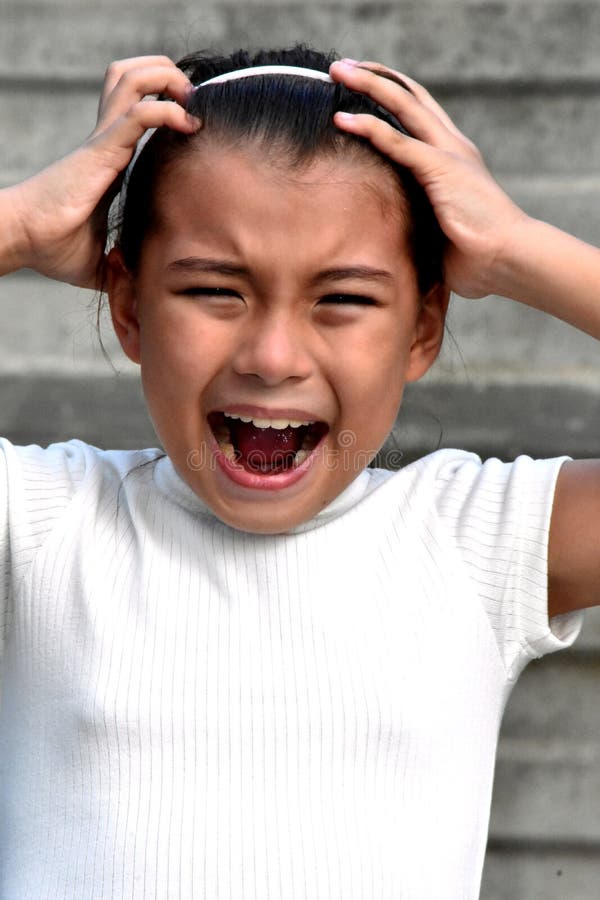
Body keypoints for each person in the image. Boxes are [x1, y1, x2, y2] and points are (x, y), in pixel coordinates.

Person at [0, 44, 598, 899]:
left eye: (344, 299)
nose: (273, 356)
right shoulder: (43, 523)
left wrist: (517, 248)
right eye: (216, 290)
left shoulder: (475, 541)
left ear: (423, 328)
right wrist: (19, 225)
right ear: (129, 307)